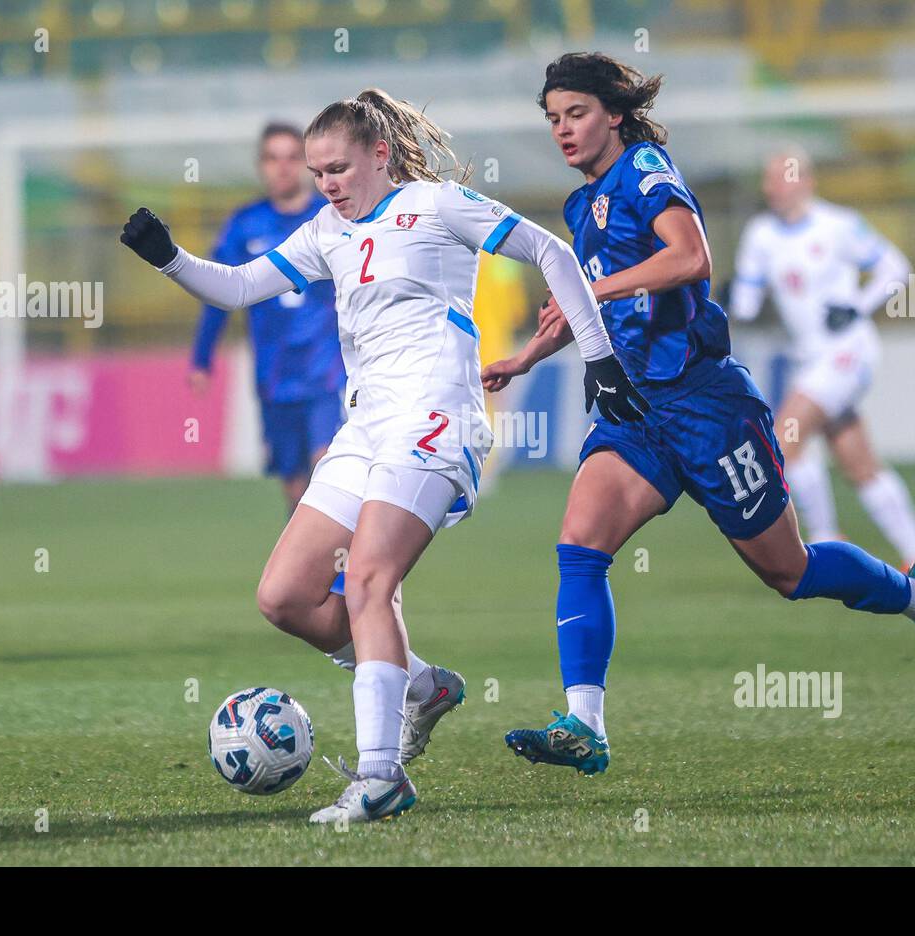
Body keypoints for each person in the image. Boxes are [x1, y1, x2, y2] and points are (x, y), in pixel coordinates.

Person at [120, 88, 645, 821]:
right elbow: (239, 288)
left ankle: (380, 776)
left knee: (368, 580)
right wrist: (167, 257)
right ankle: (422, 686)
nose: (327, 183)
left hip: (436, 418)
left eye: (337, 168)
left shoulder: (437, 205)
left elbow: (551, 252)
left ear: (379, 154)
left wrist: (600, 358)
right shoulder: (324, 231)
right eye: (317, 172)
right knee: (286, 596)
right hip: (364, 430)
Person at [484, 54, 915, 778]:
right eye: (553, 118)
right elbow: (586, 303)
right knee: (580, 542)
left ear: (612, 113)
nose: (563, 130)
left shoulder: (647, 169)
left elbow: (691, 259)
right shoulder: (582, 208)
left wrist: (604, 285)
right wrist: (526, 357)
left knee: (789, 571)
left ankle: (914, 594)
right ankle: (584, 724)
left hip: (706, 402)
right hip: (637, 412)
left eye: (576, 113)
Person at [729, 148, 915, 568]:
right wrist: (726, 292)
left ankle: (825, 541)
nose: (772, 186)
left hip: (848, 352)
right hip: (810, 360)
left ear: (807, 181)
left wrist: (858, 306)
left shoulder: (839, 226)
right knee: (858, 463)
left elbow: (895, 268)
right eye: (769, 178)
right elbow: (746, 305)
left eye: (782, 177)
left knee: (785, 441)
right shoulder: (761, 235)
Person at [188, 123, 345, 513]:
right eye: (273, 159)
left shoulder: (332, 218)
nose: (283, 168)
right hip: (275, 378)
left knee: (330, 474)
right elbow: (217, 291)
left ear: (307, 166)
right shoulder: (245, 225)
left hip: (328, 373)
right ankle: (318, 572)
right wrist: (202, 357)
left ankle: (348, 575)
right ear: (261, 165)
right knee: (295, 489)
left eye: (292, 158)